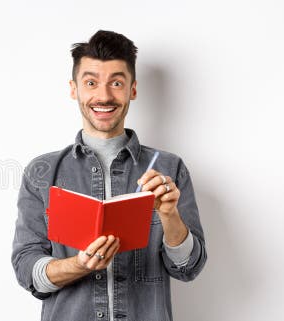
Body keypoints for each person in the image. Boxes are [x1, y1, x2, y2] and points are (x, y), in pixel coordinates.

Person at [11, 30, 207, 321]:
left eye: (116, 83)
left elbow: (188, 267)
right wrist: (79, 265)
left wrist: (169, 216)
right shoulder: (42, 173)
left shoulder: (169, 168)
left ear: (133, 90)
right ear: (74, 89)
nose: (103, 96)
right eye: (91, 82)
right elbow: (27, 269)